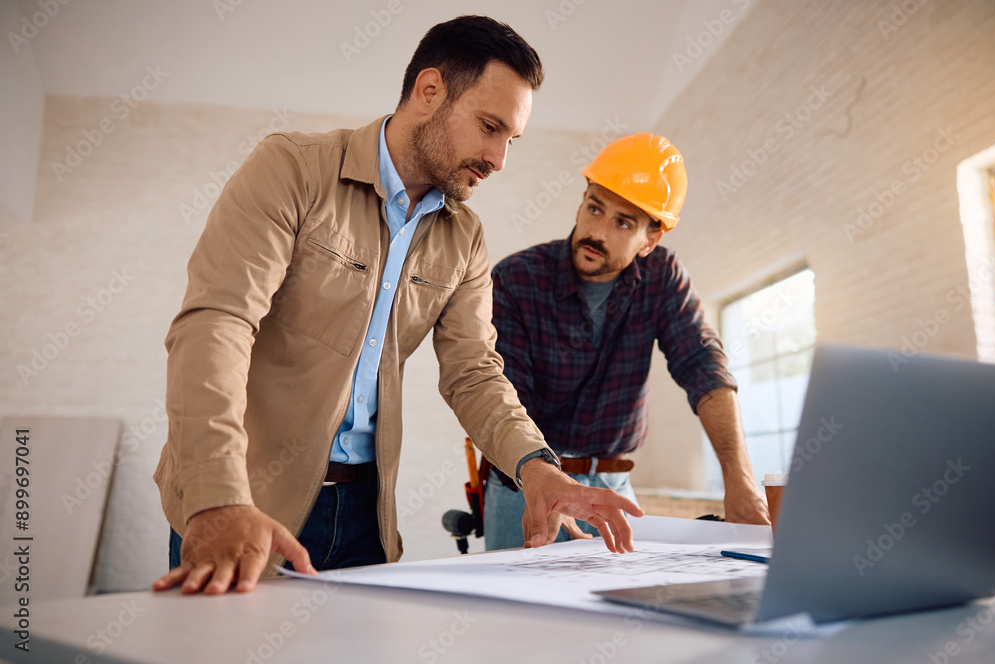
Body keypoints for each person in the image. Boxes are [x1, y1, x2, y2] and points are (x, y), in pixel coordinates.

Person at [152, 15, 643, 596]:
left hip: (366, 519)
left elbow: (474, 373)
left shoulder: (466, 238)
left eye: (510, 139)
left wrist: (537, 469)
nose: (499, 158)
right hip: (246, 499)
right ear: (429, 91)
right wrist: (217, 497)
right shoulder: (292, 169)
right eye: (490, 127)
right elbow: (217, 325)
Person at [485, 132, 769, 550]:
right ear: (582, 201)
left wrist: (740, 482)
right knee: (515, 613)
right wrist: (549, 481)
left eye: (623, 222)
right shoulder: (515, 278)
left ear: (650, 241)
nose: (597, 232)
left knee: (618, 606)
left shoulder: (662, 277)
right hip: (526, 480)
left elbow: (703, 368)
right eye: (594, 208)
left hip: (611, 481)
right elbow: (508, 397)